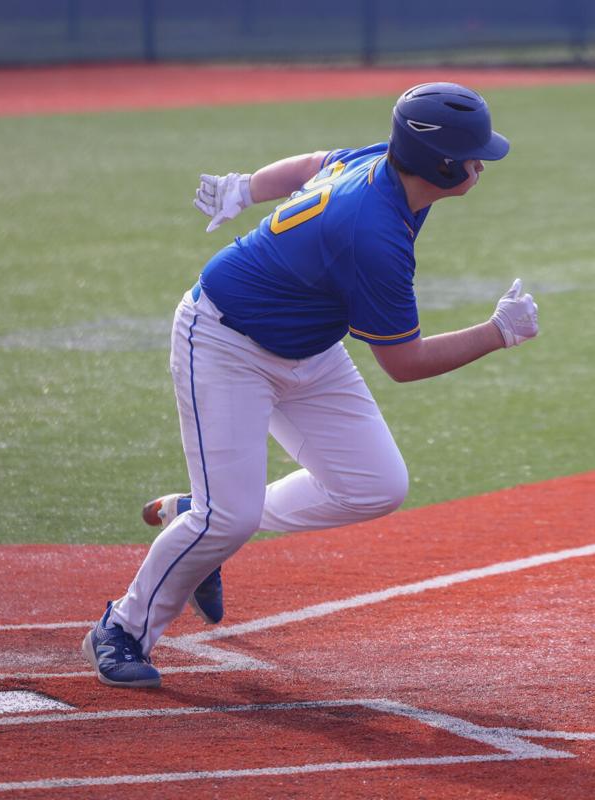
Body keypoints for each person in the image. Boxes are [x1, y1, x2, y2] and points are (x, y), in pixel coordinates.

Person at [83, 83, 539, 687]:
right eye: (473, 153)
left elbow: (314, 163)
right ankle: (122, 627)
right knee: (231, 517)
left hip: (307, 346)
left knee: (374, 485)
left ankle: (206, 518)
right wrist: (497, 333)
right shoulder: (374, 236)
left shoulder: (390, 163)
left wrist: (245, 187)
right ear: (441, 164)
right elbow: (403, 362)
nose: (482, 163)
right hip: (225, 343)